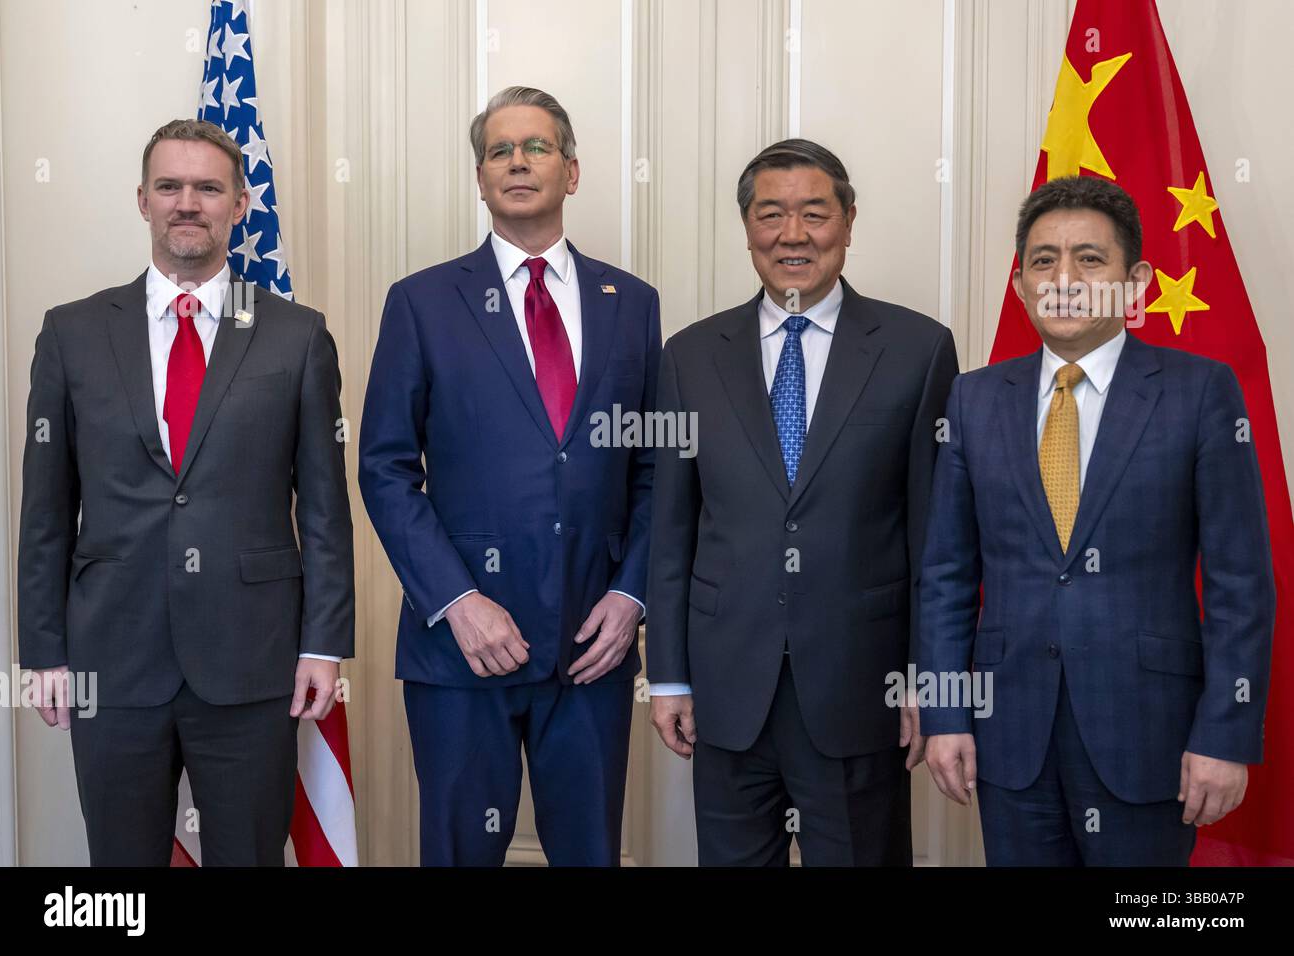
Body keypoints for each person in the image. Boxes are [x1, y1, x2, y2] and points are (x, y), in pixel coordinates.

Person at [18, 118, 354, 866]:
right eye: (170, 186)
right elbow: (44, 512)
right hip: (111, 658)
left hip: (253, 660)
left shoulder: (296, 336)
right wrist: (42, 650)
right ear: (142, 200)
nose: (187, 202)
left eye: (208, 187)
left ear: (239, 204)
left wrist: (324, 643)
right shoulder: (71, 334)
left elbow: (326, 509)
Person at [920, 175, 1275, 865]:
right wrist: (943, 713)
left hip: (1151, 736)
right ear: (1020, 282)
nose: (1065, 278)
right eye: (1044, 260)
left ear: (1135, 279)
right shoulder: (973, 399)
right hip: (1008, 736)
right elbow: (945, 577)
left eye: (1090, 258)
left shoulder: (1200, 392)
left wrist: (1225, 735)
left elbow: (1242, 584)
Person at [359, 86, 661, 866]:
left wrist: (631, 598)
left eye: (537, 147)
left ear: (573, 170)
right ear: (482, 176)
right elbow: (386, 469)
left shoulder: (632, 304)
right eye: (500, 150)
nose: (518, 162)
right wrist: (457, 603)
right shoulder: (422, 301)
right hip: (461, 652)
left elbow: (658, 470)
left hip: (593, 648)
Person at [646, 139, 958, 865]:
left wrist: (928, 680)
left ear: (849, 222)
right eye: (771, 215)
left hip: (863, 687)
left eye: (814, 214)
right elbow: (672, 530)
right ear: (747, 227)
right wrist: (666, 675)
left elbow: (936, 538)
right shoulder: (690, 355)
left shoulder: (918, 349)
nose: (793, 235)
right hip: (728, 690)